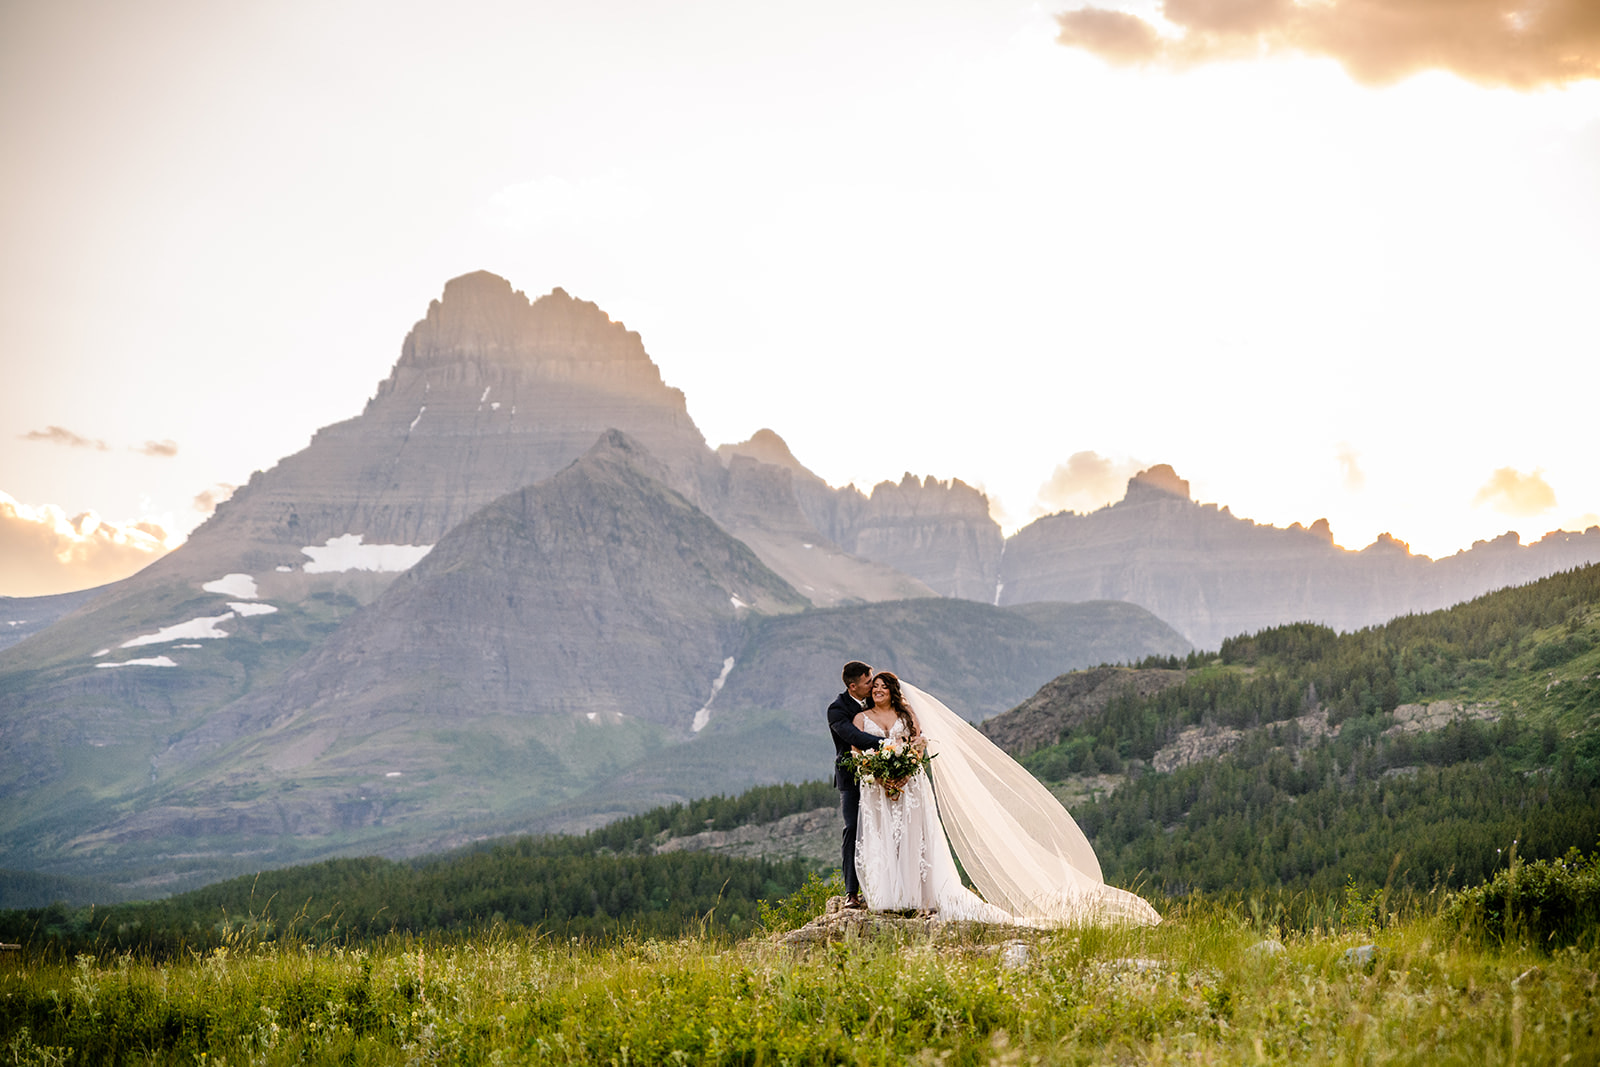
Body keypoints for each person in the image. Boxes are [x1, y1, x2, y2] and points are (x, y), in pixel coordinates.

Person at [850, 671, 1161, 927]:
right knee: (885, 838)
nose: (878, 690)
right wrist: (880, 775)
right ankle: (890, 898)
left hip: (911, 787)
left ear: (893, 691)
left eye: (884, 686)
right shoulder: (862, 719)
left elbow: (920, 744)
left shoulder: (908, 714)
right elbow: (856, 753)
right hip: (878, 790)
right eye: (874, 686)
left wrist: (905, 770)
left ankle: (922, 900)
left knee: (916, 840)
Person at [827, 660, 885, 910]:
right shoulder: (836, 709)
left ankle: (885, 886)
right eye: (868, 681)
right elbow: (852, 736)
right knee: (852, 828)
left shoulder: (877, 700)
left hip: (883, 775)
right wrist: (888, 743)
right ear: (853, 686)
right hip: (851, 777)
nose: (872, 685)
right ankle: (851, 891)